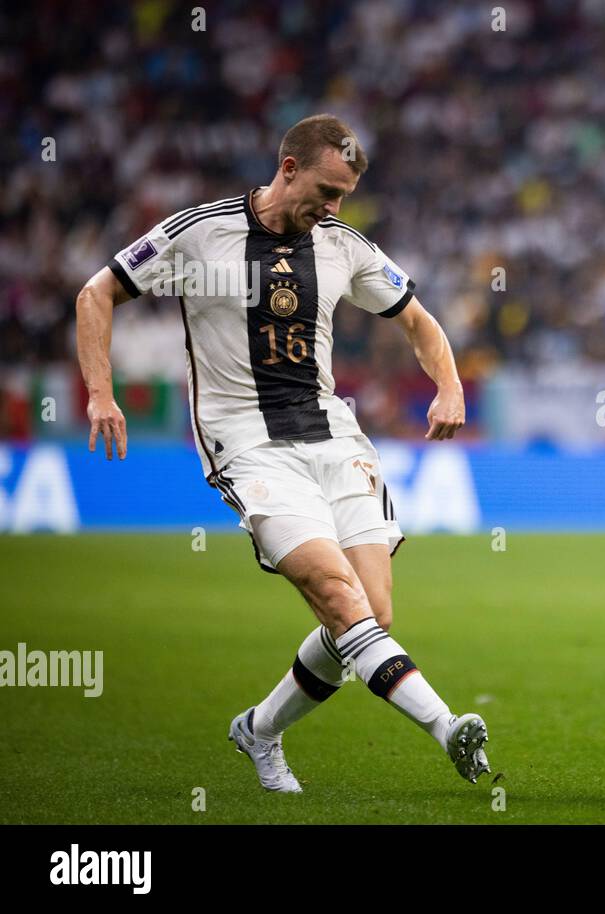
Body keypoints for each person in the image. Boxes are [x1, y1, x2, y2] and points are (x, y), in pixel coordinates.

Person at [74, 114, 490, 792]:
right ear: (288, 167)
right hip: (249, 444)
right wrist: (101, 392)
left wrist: (448, 384)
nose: (331, 209)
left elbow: (417, 318)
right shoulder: (196, 233)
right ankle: (447, 726)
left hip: (332, 434)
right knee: (336, 594)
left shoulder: (341, 245)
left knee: (370, 615)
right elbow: (97, 293)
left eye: (343, 197)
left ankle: (259, 730)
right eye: (325, 191)